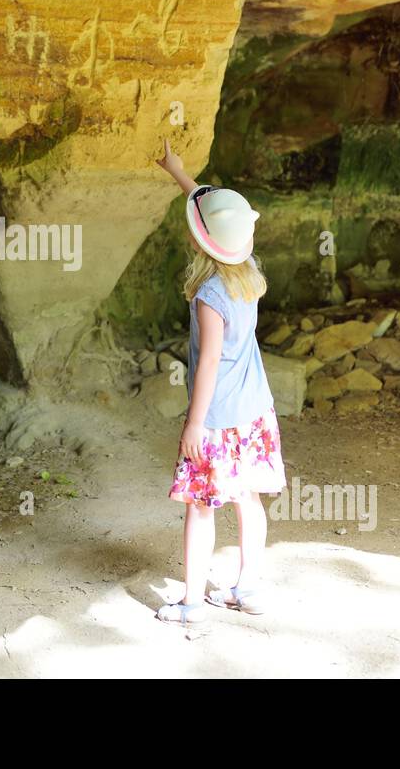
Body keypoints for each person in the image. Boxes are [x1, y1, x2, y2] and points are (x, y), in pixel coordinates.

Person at [153, 140, 286, 624]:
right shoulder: (246, 274)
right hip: (254, 411)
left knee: (201, 507)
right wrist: (179, 173)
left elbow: (207, 363)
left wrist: (193, 424)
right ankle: (246, 589)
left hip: (218, 419)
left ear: (197, 241)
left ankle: (191, 601)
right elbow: (215, 214)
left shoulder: (209, 296)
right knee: (248, 501)